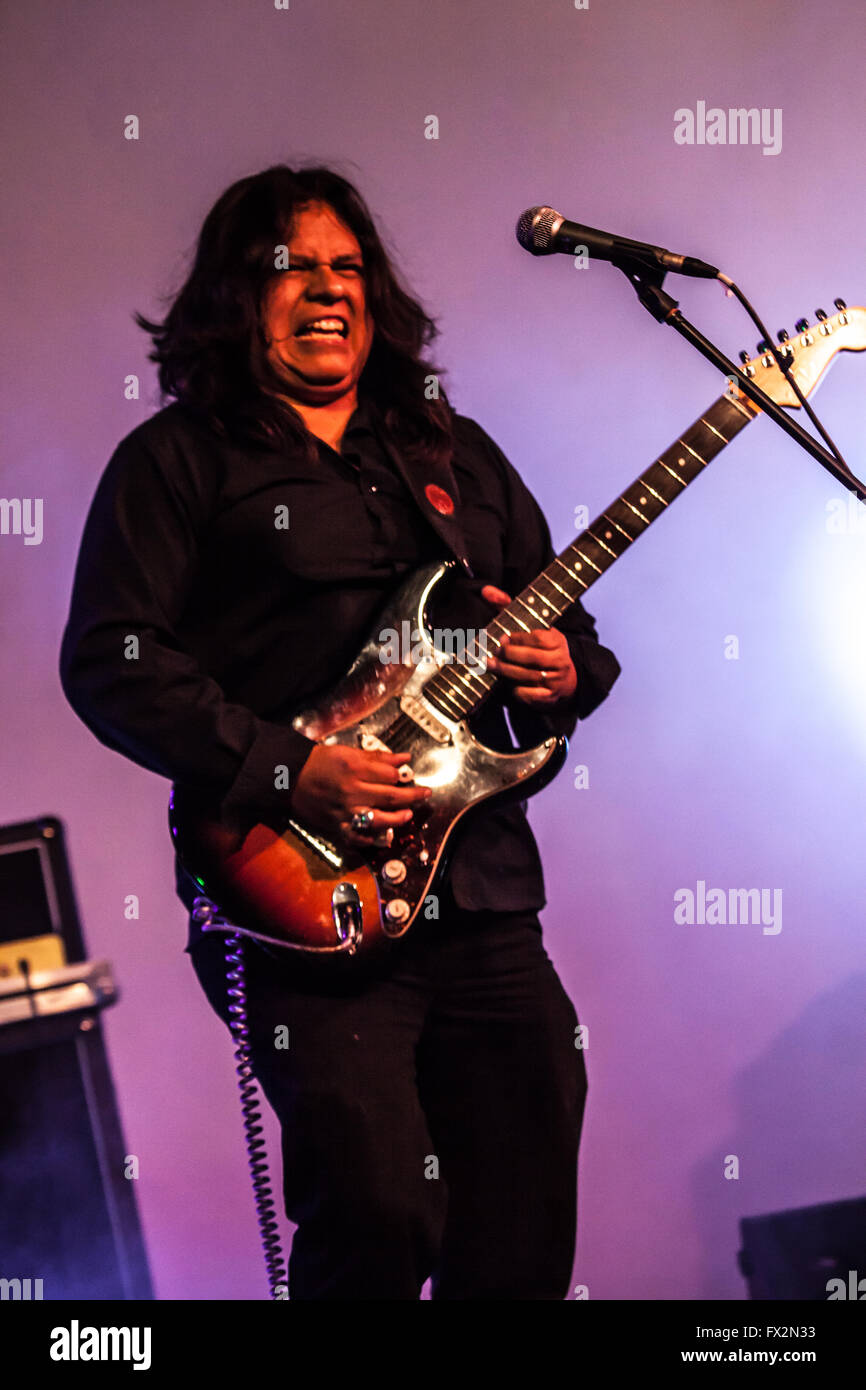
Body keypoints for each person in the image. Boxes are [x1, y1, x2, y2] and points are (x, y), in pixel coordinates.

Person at [59, 164, 621, 1300]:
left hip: (480, 902)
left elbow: (572, 644)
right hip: (301, 907)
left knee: (519, 1225)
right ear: (236, 295)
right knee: (378, 1208)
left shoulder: (450, 453)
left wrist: (558, 674)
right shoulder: (176, 464)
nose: (328, 289)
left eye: (348, 267)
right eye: (294, 267)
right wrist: (288, 767)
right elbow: (109, 659)